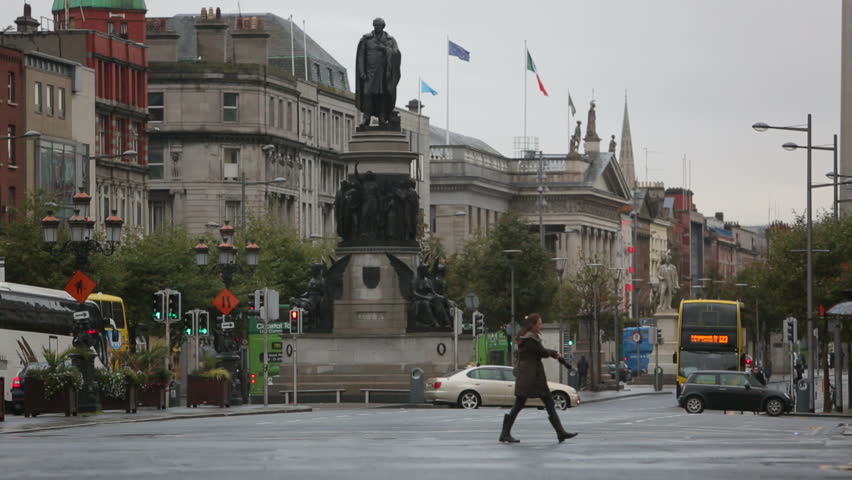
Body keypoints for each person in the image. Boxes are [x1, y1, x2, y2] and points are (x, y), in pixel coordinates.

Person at [500, 313, 577, 444]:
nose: (541, 326)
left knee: (540, 403)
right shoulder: (530, 339)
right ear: (533, 325)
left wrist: (552, 353)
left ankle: (560, 432)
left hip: (530, 376)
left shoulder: (527, 338)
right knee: (524, 404)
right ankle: (505, 433)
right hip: (531, 377)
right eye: (539, 324)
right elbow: (542, 352)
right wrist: (553, 353)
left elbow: (540, 351)